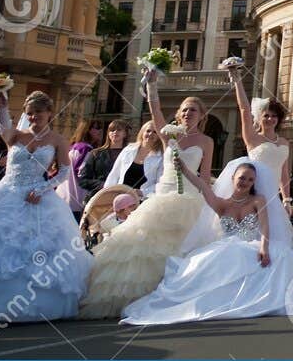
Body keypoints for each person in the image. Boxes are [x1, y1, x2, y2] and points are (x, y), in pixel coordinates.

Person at [80, 70, 213, 318]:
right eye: (184, 109)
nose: (187, 113)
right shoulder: (169, 134)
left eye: (193, 110)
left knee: (185, 247)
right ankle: (137, 297)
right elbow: (155, 110)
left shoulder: (206, 141)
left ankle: (177, 297)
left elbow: (204, 177)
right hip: (164, 196)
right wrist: (151, 84)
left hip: (191, 199)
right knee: (142, 242)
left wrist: (210, 204)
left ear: (202, 115)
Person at [122, 156, 293, 326]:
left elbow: (264, 226)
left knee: (283, 258)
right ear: (233, 177)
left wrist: (264, 248)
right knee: (206, 266)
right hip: (227, 248)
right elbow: (203, 186)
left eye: (250, 180)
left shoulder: (258, 200)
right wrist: (184, 168)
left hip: (253, 247)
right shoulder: (221, 204)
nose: (245, 182)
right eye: (242, 178)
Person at [0, 91, 92, 325]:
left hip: (38, 197)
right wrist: (4, 107)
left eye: (38, 112)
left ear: (49, 113)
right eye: (30, 113)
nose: (34, 116)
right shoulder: (16, 135)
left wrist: (42, 189)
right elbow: (4, 128)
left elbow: (65, 172)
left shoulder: (58, 140)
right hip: (5, 194)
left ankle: (35, 305)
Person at [225, 63, 293, 252]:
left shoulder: (284, 143)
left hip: (274, 198)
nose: (270, 119)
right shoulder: (253, 138)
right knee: (250, 240)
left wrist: (287, 200)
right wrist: (237, 80)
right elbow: (244, 110)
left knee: (277, 241)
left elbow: (284, 173)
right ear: (260, 117)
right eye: (266, 115)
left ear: (278, 119)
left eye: (274, 116)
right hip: (253, 193)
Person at [104, 121, 164, 196]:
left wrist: (142, 192)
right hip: (119, 197)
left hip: (144, 200)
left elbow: (160, 183)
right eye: (148, 131)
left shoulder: (161, 157)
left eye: (155, 132)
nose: (150, 134)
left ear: (159, 136)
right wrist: (107, 194)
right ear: (142, 132)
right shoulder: (128, 149)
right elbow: (114, 175)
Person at [78, 119, 130, 201]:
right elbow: (83, 180)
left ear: (125, 134)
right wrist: (103, 184)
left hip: (124, 200)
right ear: (108, 133)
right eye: (112, 130)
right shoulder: (95, 153)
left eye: (119, 130)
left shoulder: (131, 154)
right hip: (99, 199)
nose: (115, 132)